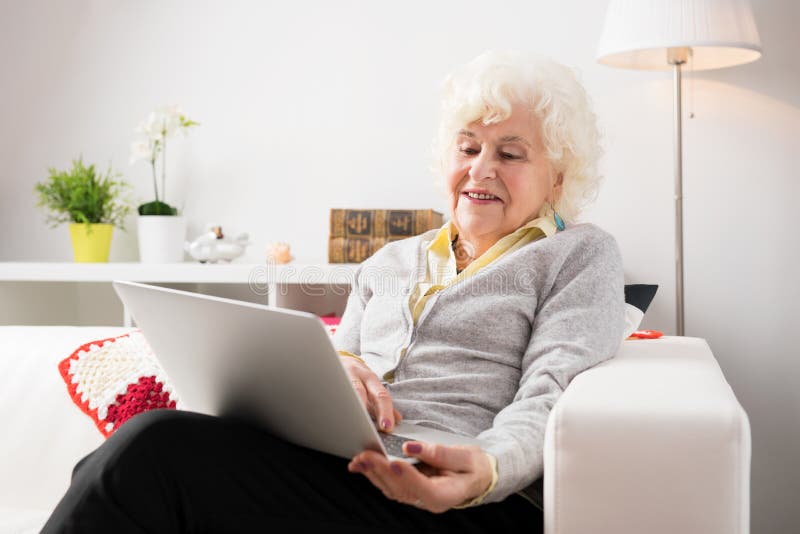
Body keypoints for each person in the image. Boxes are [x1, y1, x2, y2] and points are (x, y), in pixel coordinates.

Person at [41, 49, 625, 533]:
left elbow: (551, 395)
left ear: (559, 176)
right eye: (468, 147)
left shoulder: (579, 254)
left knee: (150, 451)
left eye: (511, 153)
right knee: (120, 464)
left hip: (461, 498)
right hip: (343, 472)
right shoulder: (390, 259)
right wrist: (343, 371)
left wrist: (486, 469)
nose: (481, 169)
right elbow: (340, 357)